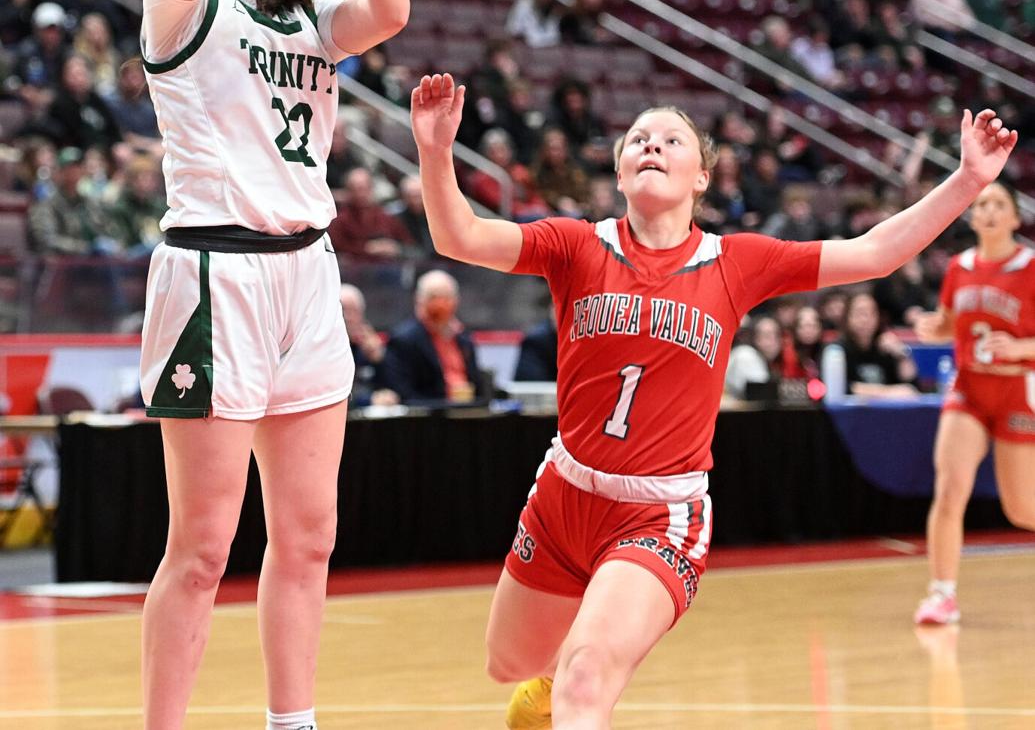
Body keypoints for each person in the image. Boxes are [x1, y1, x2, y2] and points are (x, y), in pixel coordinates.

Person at [409, 71, 1015, 730]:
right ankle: (555, 676)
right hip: (566, 492)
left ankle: (579, 675)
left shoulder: (736, 261)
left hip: (659, 513)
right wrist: (435, 151)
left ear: (702, 176)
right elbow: (459, 236)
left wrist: (967, 180)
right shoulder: (575, 245)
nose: (651, 144)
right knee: (510, 662)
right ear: (618, 173)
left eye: (672, 139)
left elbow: (872, 252)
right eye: (637, 138)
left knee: (587, 681)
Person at [137, 0, 408, 730]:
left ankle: (293, 723)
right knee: (203, 548)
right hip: (214, 276)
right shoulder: (183, 8)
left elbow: (392, 7)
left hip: (307, 279)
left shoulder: (313, 23)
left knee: (308, 538)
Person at [912, 182, 1035, 627]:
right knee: (949, 489)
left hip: (1017, 389)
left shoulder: (1031, 267)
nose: (989, 210)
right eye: (982, 204)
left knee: (1021, 509)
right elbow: (952, 325)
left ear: (1015, 218)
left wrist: (1019, 348)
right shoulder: (958, 267)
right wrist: (935, 328)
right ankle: (942, 594)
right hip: (968, 389)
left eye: (999, 204)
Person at [382, 269, 485, 404]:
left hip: (467, 410)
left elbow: (477, 386)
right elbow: (404, 395)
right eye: (434, 297)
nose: (440, 304)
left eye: (446, 297)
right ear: (419, 300)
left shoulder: (463, 338)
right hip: (433, 412)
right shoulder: (404, 340)